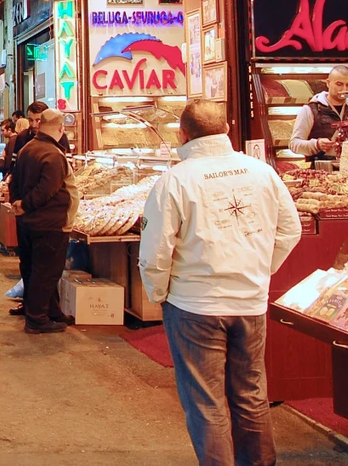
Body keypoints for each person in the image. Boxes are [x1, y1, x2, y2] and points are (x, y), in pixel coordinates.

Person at [139, 99, 302, 466]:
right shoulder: (262, 172)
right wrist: (260, 270)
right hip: (249, 302)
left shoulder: (175, 180)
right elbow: (291, 230)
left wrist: (158, 292)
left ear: (182, 133)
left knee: (205, 400)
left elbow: (155, 251)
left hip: (194, 305)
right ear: (228, 126)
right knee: (252, 394)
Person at [11, 109, 77, 334]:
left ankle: (52, 311)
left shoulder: (27, 149)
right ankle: (37, 318)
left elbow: (14, 181)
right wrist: (25, 204)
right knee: (46, 271)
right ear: (60, 128)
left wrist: (17, 204)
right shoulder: (53, 154)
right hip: (49, 223)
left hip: (28, 223)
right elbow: (46, 191)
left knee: (33, 268)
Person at [289, 65, 348, 162]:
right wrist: (316, 144)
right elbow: (294, 144)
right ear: (328, 83)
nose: (344, 89)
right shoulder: (310, 109)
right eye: (339, 84)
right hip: (321, 172)